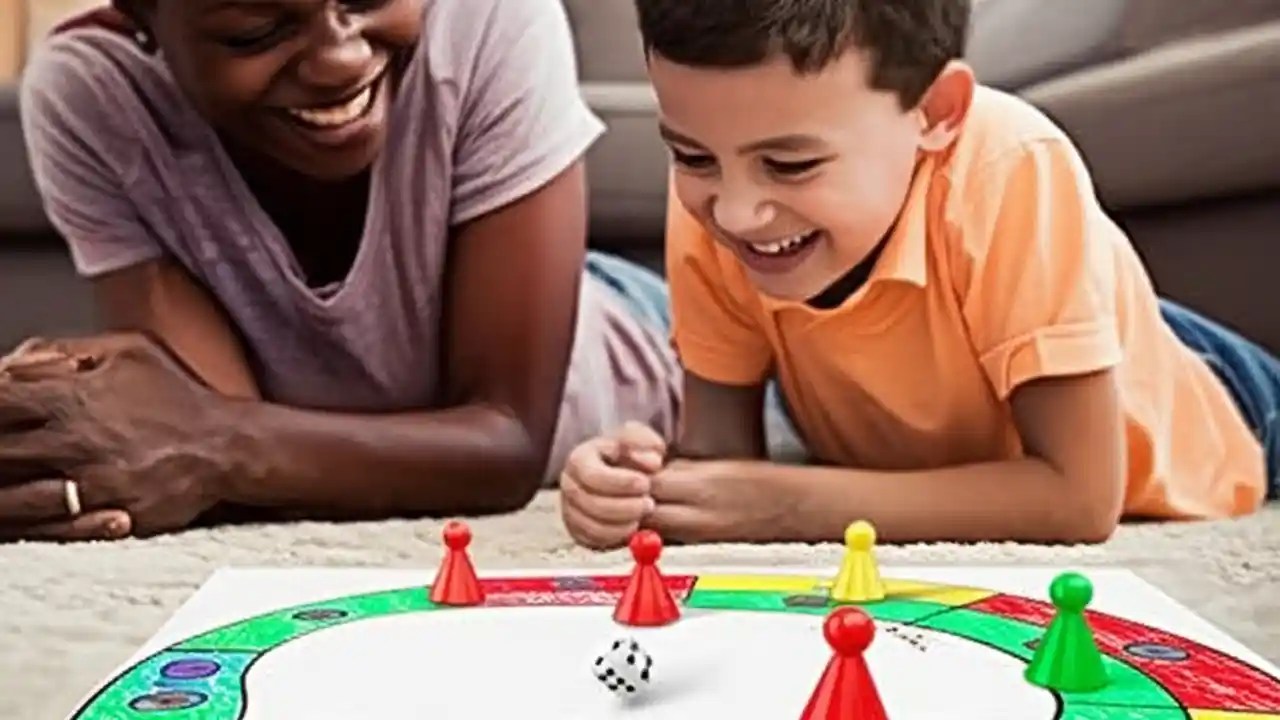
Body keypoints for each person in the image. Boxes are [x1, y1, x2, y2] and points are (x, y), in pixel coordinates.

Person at [558, 0, 1280, 549]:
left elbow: (1081, 500)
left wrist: (794, 506)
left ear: (936, 112)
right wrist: (637, 487)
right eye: (692, 156)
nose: (739, 211)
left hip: (1201, 391)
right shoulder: (716, 205)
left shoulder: (1010, 166)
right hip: (979, 377)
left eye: (792, 164)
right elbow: (722, 460)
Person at [0, 0, 683, 542]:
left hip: (639, 340)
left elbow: (507, 444)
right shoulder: (93, 91)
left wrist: (209, 442)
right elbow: (201, 454)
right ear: (142, 15)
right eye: (255, 31)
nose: (339, 59)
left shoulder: (488, 16)